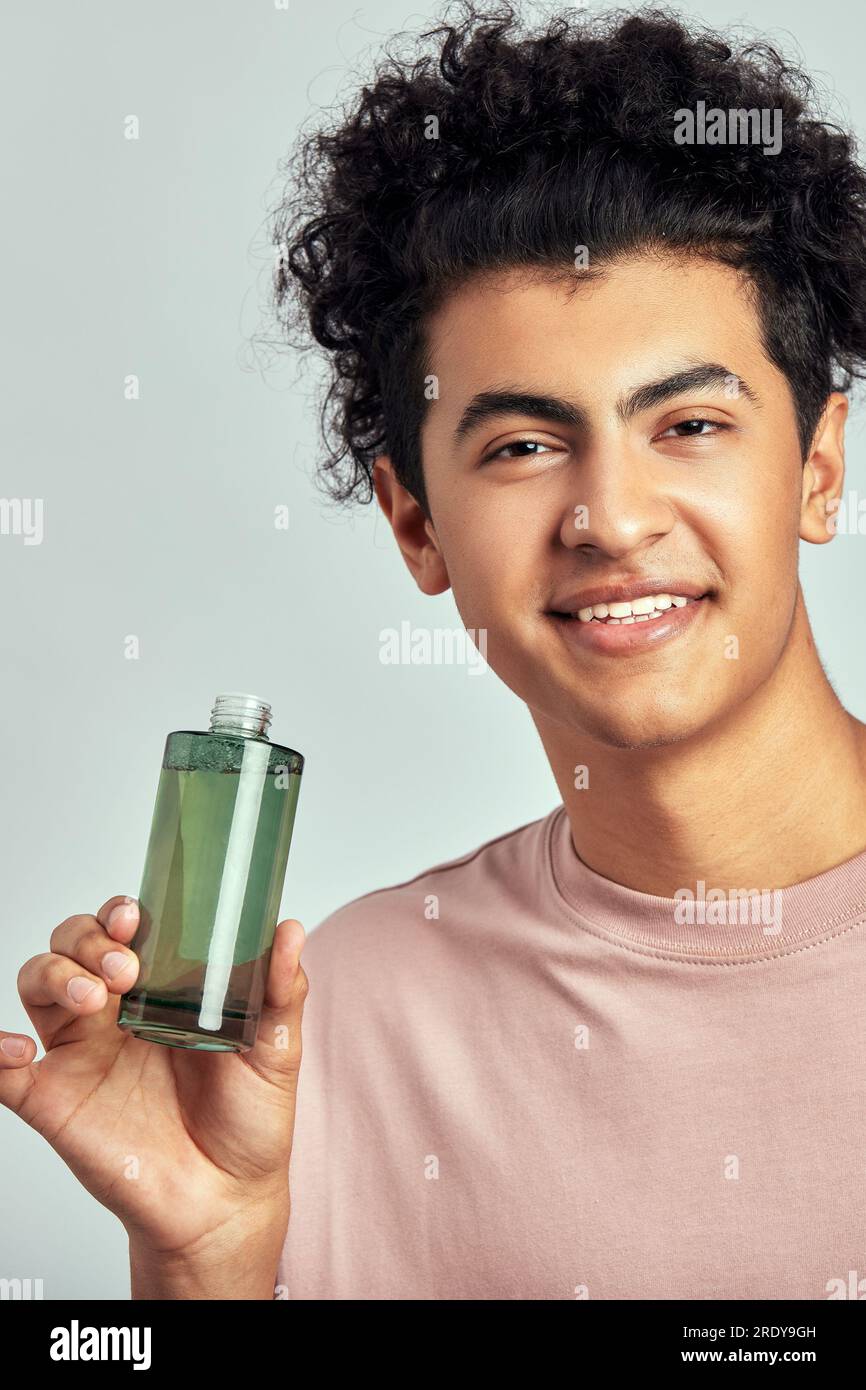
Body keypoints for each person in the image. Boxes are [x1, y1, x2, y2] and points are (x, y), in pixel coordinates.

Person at [4, 2, 866, 1300]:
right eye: (522, 445)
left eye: (687, 422)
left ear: (816, 465)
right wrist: (204, 1259)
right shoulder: (329, 1018)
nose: (609, 517)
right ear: (415, 521)